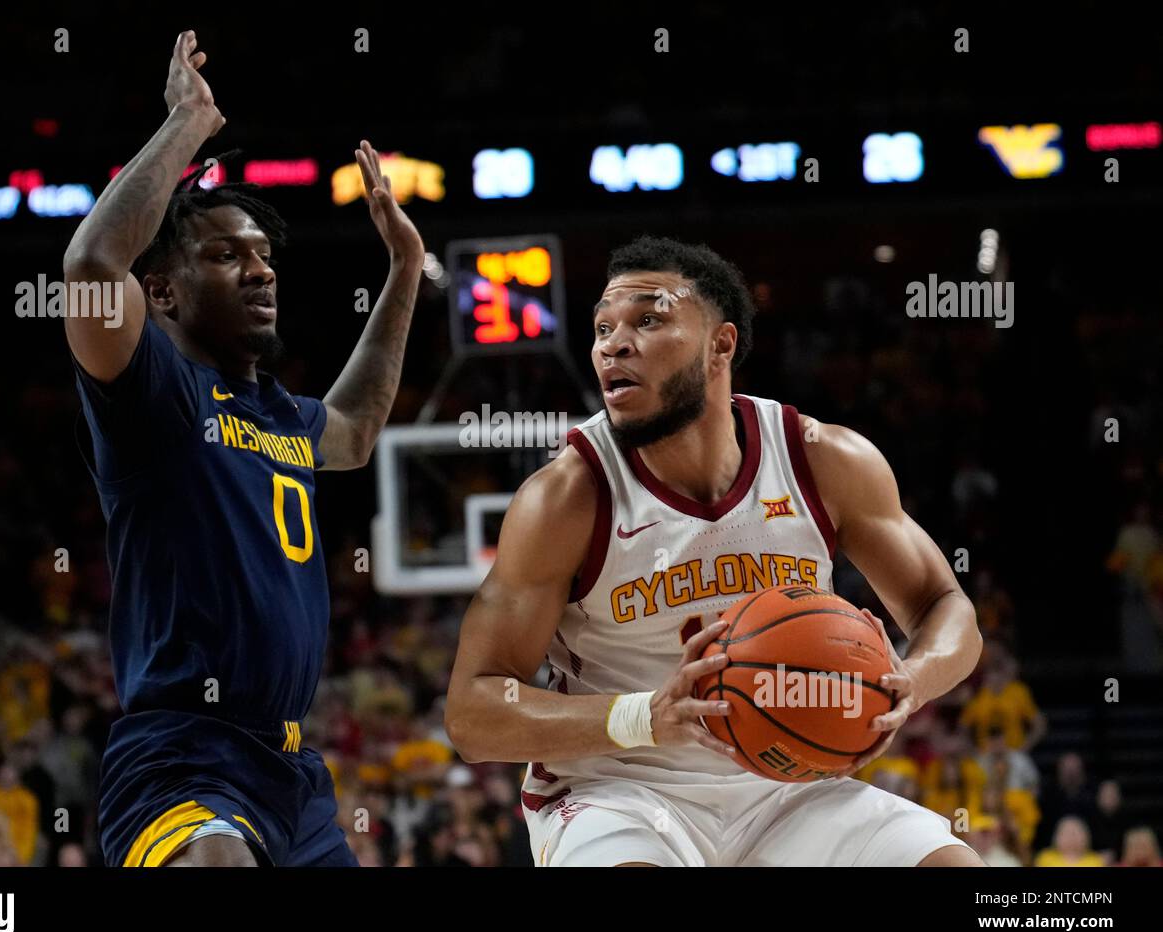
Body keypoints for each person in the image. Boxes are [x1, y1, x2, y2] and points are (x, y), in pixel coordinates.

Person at [446, 237, 984, 866]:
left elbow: (946, 608)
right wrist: (645, 715)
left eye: (648, 320)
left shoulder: (821, 458)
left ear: (720, 345)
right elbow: (473, 714)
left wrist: (907, 685)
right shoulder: (567, 497)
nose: (613, 344)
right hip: (618, 792)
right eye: (602, 327)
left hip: (791, 786)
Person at [64, 31, 424, 866]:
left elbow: (360, 428)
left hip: (291, 769)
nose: (260, 272)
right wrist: (186, 125)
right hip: (184, 756)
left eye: (264, 257)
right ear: (162, 293)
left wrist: (405, 269)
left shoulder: (281, 416)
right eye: (226, 257)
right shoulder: (153, 395)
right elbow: (89, 267)